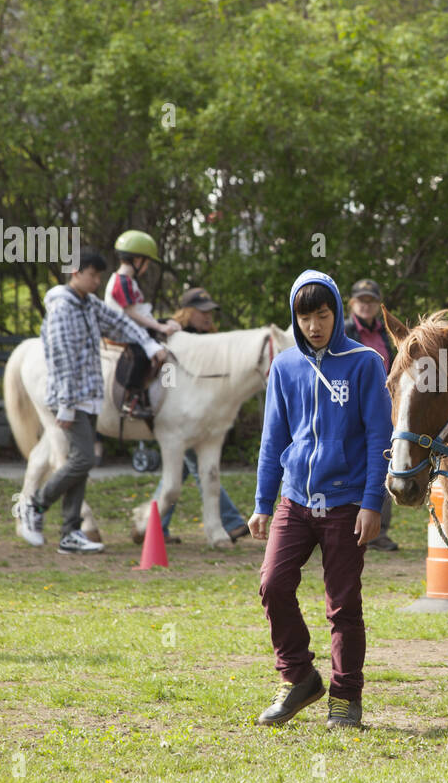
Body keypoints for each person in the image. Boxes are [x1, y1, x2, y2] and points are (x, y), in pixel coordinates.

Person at [248, 271, 392, 729]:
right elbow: (273, 440)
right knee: (272, 584)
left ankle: (345, 698)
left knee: (343, 604)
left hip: (348, 503)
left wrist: (373, 503)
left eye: (323, 315)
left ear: (337, 314)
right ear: (295, 318)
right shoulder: (285, 367)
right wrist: (262, 503)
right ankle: (299, 679)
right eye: (305, 316)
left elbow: (379, 438)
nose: (314, 325)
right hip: (295, 499)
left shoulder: (365, 362)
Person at [15, 250, 170, 553]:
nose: (98, 281)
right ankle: (33, 506)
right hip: (71, 399)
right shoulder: (62, 309)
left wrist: (150, 344)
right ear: (76, 273)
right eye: (93, 275)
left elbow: (119, 322)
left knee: (82, 465)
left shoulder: (87, 304)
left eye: (100, 276)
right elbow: (61, 360)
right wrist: (66, 405)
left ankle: (70, 532)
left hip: (89, 399)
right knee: (83, 459)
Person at [155, 286, 250, 544]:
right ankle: (230, 522)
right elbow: (166, 377)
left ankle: (154, 526)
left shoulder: (212, 341)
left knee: (183, 472)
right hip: (179, 417)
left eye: (210, 312)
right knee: (199, 468)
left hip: (203, 416)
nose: (208, 317)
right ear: (187, 312)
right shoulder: (172, 334)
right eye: (202, 311)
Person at [342, 278, 399, 552]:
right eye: (361, 300)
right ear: (353, 303)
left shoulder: (386, 334)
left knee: (384, 460)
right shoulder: (343, 331)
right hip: (350, 406)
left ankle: (379, 531)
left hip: (383, 407)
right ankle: (343, 525)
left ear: (377, 305)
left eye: (371, 301)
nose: (366, 305)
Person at [102, 229, 180, 417]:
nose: (146, 267)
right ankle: (131, 398)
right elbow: (131, 313)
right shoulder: (121, 282)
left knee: (163, 344)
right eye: (147, 263)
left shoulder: (128, 281)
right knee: (140, 353)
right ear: (138, 261)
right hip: (122, 330)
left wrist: (165, 321)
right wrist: (159, 326)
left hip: (133, 326)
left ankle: (168, 388)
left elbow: (138, 312)